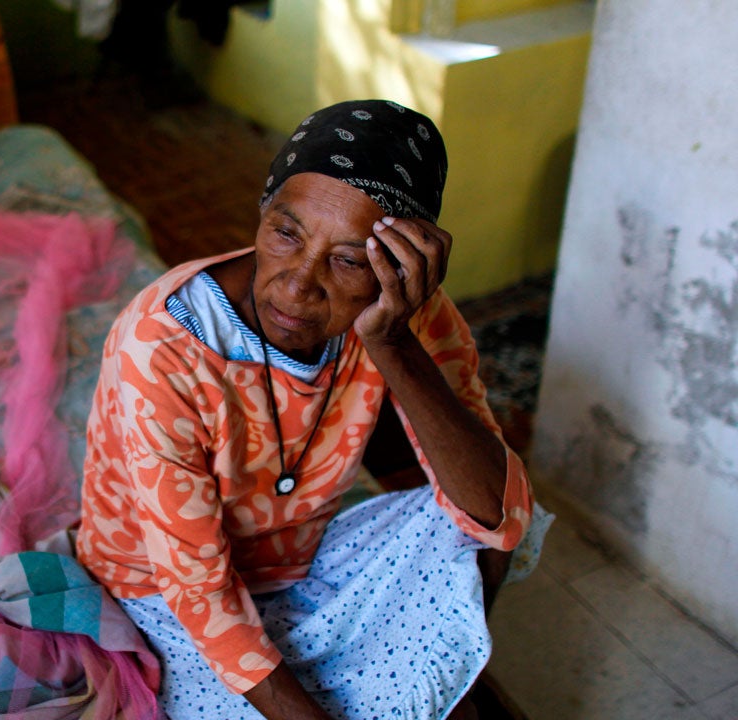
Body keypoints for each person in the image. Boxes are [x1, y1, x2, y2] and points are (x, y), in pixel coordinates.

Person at [77, 99, 538, 720]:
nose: (296, 285)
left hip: (298, 557)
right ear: (262, 213)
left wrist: (392, 341)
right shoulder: (160, 349)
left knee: (487, 521)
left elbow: (499, 515)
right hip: (164, 593)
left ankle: (430, 675)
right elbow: (199, 590)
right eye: (285, 234)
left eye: (348, 260)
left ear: (398, 265)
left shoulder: (402, 310)